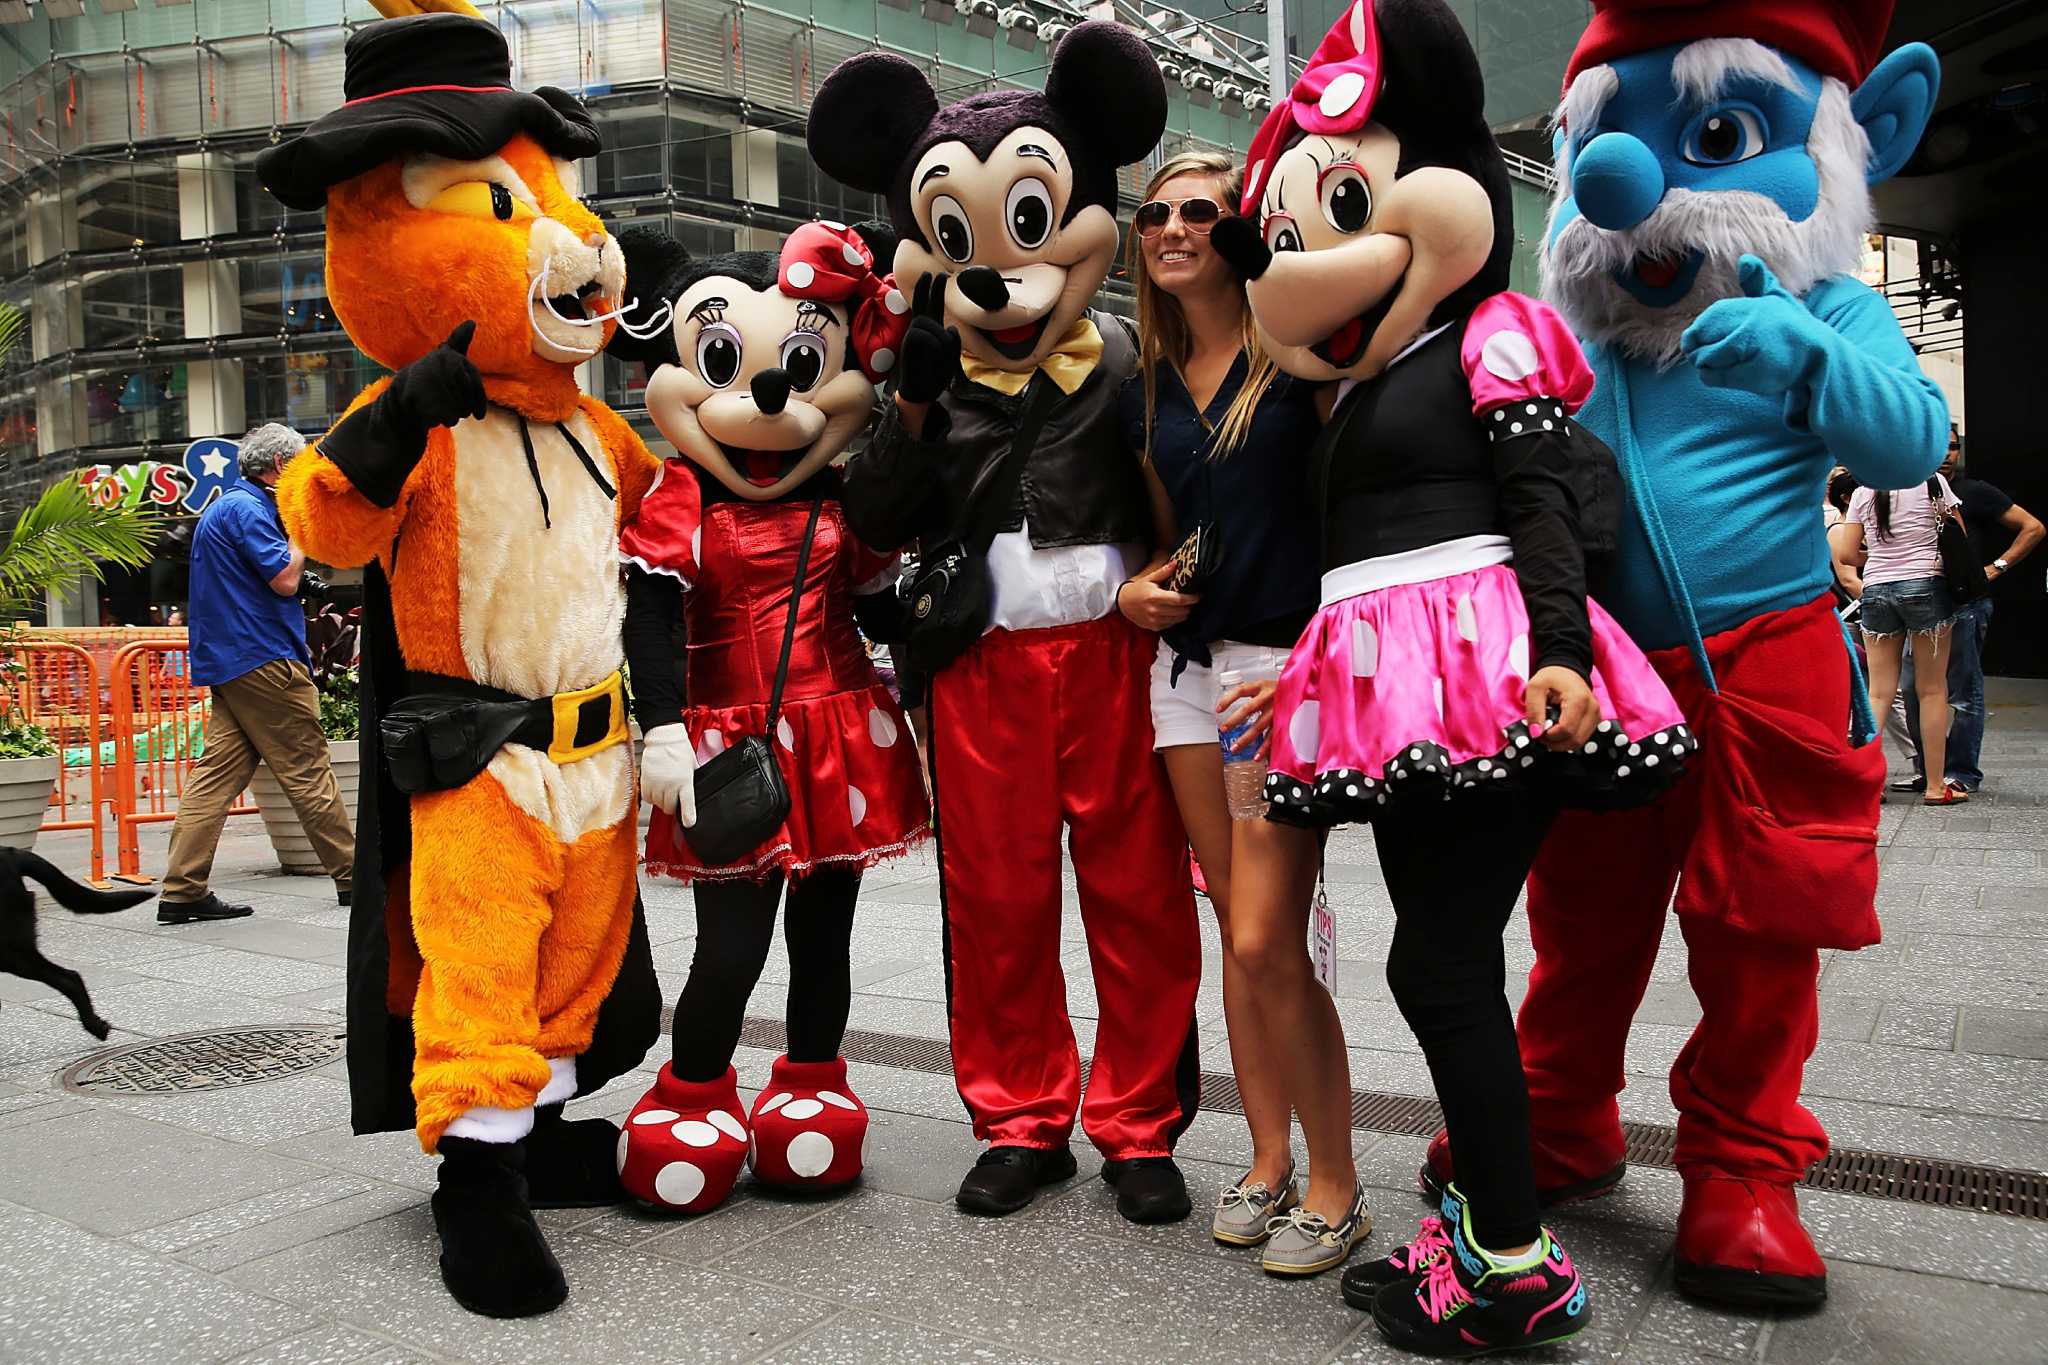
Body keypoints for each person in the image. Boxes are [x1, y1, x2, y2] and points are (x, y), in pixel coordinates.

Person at [1212, 1, 1695, 1348]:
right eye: (1294, 236)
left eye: (1344, 207)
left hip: (1486, 682)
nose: (1314, 263)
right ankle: (1486, 1231)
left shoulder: (1491, 333)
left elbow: (1539, 501)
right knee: (1443, 962)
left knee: (1437, 965)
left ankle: (1513, 1260)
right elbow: (1359, 564)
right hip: (1398, 700)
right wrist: (1304, 678)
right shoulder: (1365, 382)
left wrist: (1559, 653)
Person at [1487, 0, 1946, 1313]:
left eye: (1716, 135)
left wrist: (1808, 358)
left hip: (1768, 661)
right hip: (1606, 675)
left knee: (1759, 936)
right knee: (1579, 920)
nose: (1630, 184)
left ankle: (1742, 1170)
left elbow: (1911, 437)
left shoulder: (1826, 303)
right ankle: (1558, 1115)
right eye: (1600, 143)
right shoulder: (1568, 337)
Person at [810, 24, 1205, 1226]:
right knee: (995, 902)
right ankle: (1019, 1118)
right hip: (980, 666)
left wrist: (1169, 588)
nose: (996, 276)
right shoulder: (924, 383)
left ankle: (1138, 1123)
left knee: (1139, 897)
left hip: (1115, 660)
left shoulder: (1129, 362)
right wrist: (911, 407)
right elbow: (873, 517)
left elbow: (1195, 496)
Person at [607, 221, 930, 1214]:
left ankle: (810, 1090)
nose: (769, 398)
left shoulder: (843, 498)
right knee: (731, 945)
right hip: (725, 740)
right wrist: (661, 726)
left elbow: (878, 607)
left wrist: (947, 620)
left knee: (824, 939)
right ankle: (693, 1094)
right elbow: (651, 620)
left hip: (839, 729)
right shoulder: (676, 501)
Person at [1113, 151, 1337, 1272]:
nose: (1172, 227)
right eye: (1155, 212)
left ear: (1240, 230)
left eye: (1199, 211)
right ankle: (1267, 1156)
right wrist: (1133, 592)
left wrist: (1318, 659)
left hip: (1275, 665)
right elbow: (1168, 535)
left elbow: (1349, 515)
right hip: (1187, 674)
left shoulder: (1296, 357)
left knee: (1264, 934)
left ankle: (1335, 1182)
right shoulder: (1147, 384)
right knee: (1234, 934)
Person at [156, 423, 354, 925]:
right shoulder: (249, 509)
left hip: (233, 660)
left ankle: (182, 889)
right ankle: (356, 877)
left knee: (216, 777)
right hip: (264, 657)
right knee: (308, 768)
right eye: (300, 463)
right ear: (280, 466)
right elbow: (285, 580)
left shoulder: (225, 508)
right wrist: (302, 524)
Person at [1893, 427, 2043, 793]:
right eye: (1938, 447)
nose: (1946, 454)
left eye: (1953, 447)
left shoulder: (1973, 491)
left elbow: (2033, 527)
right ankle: (1930, 769)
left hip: (1964, 603)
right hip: (1920, 602)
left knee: (1963, 690)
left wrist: (1996, 567)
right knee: (1911, 689)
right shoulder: (1905, 490)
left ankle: (1960, 772)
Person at [1833, 473, 1964, 804]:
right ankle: (1936, 787)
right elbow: (1958, 536)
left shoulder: (1863, 491)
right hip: (1925, 585)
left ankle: (1867, 785)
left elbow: (1847, 554)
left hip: (1877, 589)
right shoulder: (1932, 482)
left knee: (1878, 693)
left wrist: (1880, 555)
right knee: (1932, 690)